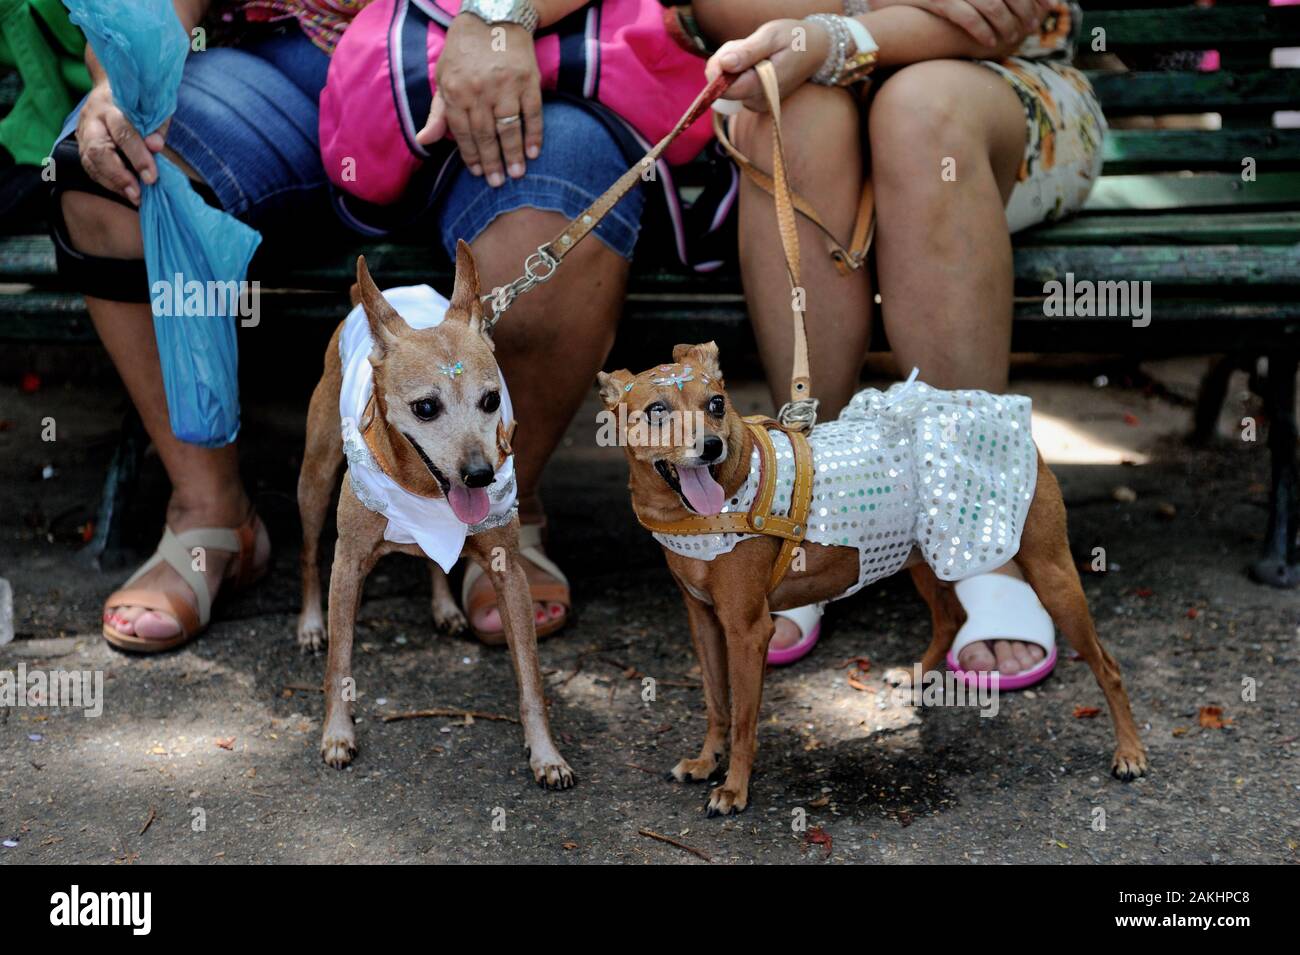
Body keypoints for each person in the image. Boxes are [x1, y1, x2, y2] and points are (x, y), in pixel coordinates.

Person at [53, 0, 645, 650]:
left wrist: (501, 15)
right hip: (282, 66)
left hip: (502, 58)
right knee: (117, 176)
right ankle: (210, 514)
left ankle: (500, 510)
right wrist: (126, 75)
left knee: (556, 221)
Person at [698, 0, 1104, 686]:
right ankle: (809, 502)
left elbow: (1000, 16)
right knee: (792, 114)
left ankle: (983, 528)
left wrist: (838, 31)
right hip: (800, 88)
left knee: (921, 110)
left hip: (998, 86)